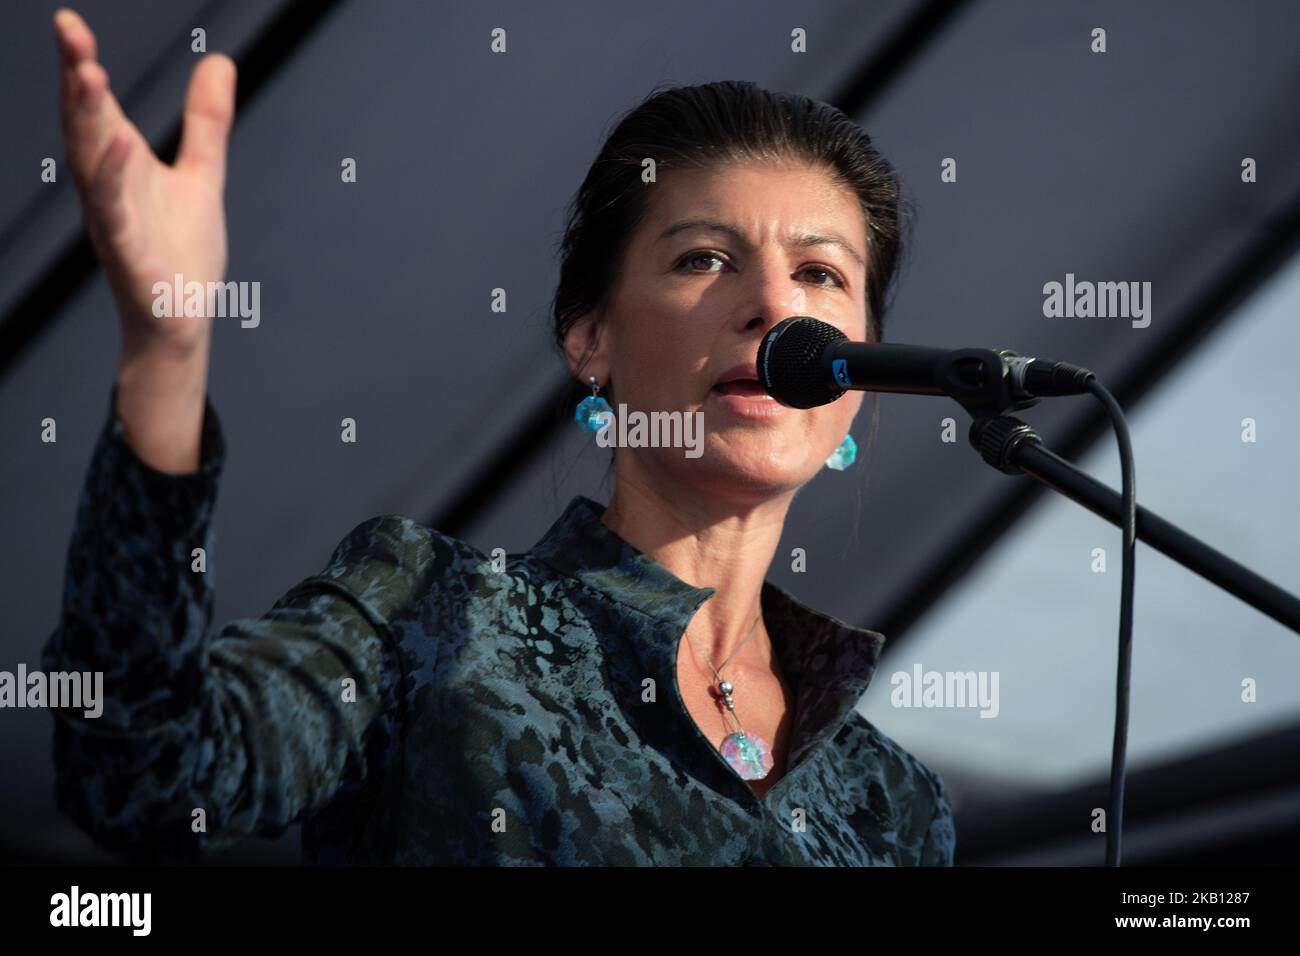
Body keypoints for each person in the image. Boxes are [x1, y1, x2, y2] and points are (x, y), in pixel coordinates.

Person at [43, 7, 956, 865]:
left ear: (863, 379)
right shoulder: (430, 615)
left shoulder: (895, 802)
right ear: (589, 338)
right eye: (704, 258)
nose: (774, 306)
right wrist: (165, 352)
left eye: (821, 274)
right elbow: (146, 772)